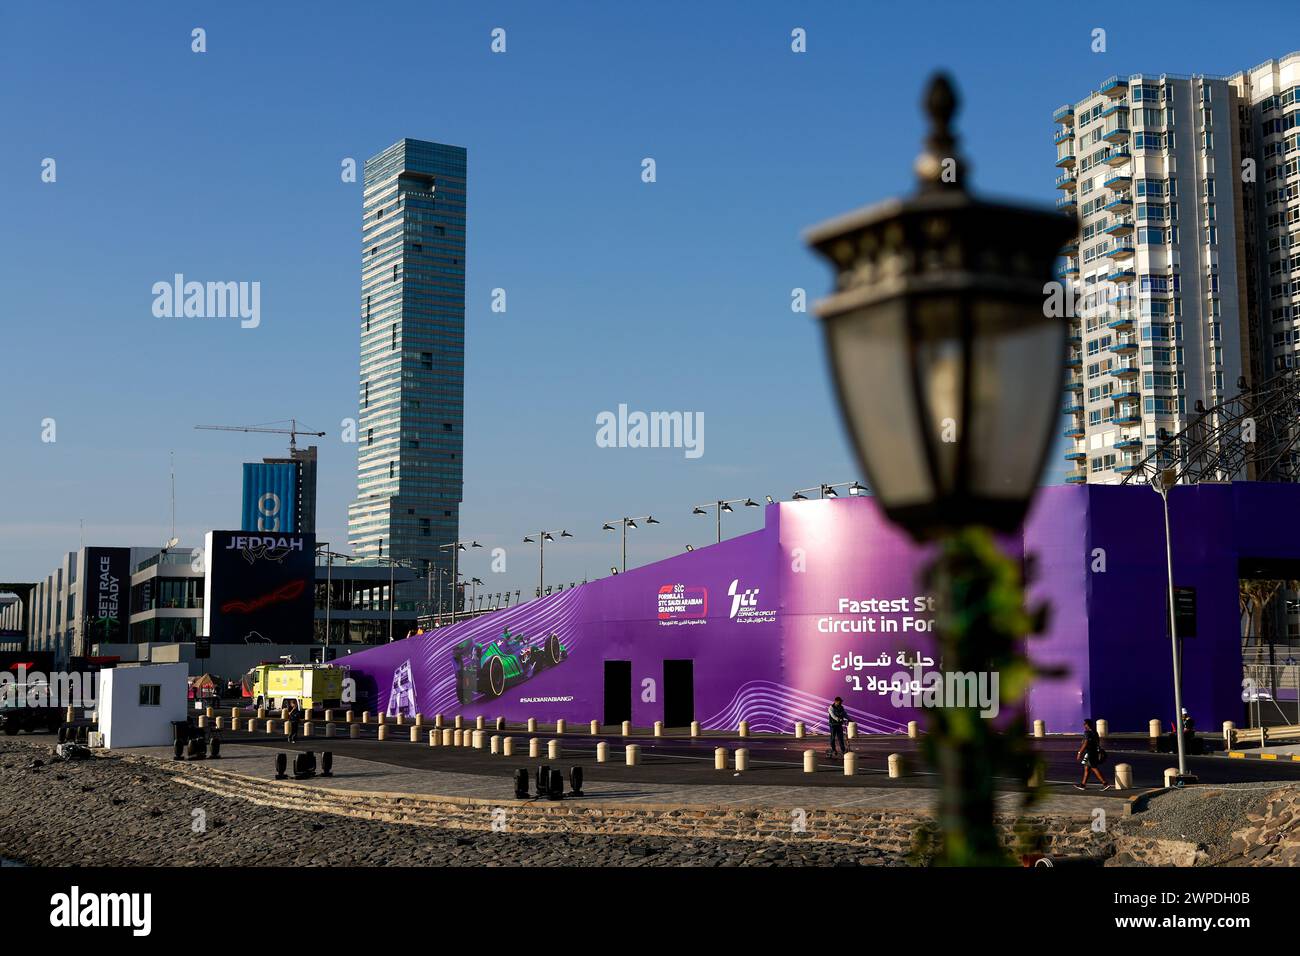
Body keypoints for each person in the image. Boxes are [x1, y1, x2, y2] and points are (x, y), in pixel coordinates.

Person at [1075, 718, 1109, 791]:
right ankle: (1083, 785)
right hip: (1094, 752)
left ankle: (1105, 783)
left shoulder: (1087, 732)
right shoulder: (1095, 732)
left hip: (1089, 753)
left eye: (1084, 724)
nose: (1084, 725)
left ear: (1087, 725)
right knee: (1087, 768)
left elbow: (1085, 743)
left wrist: (1079, 752)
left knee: (1094, 767)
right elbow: (1097, 742)